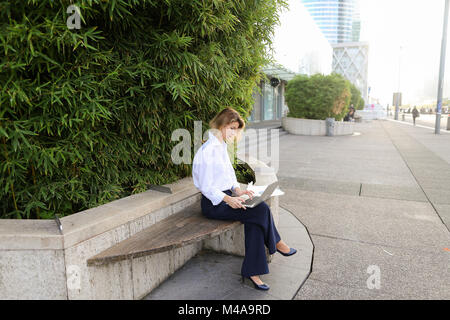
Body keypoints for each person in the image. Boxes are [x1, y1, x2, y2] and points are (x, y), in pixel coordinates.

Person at [192, 107, 296, 291]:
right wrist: (229, 199)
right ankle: (276, 244)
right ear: (221, 125)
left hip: (227, 197)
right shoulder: (208, 151)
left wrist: (238, 191)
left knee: (255, 220)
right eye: (231, 128)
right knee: (261, 210)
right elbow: (207, 187)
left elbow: (229, 175)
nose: (234, 132)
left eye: (236, 129)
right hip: (213, 204)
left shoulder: (222, 145)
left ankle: (253, 272)